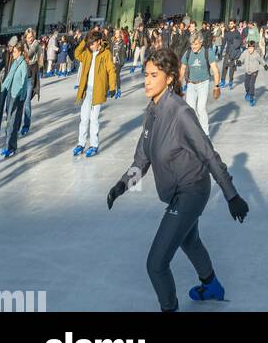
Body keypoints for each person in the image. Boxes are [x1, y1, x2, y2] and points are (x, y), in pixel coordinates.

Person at [106, 48, 248, 310]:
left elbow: (208, 154)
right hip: (175, 192)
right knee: (190, 240)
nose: (146, 81)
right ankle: (212, 285)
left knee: (156, 263)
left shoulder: (181, 113)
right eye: (145, 75)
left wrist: (232, 195)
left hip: (192, 190)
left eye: (153, 75)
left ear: (169, 78)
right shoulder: (152, 111)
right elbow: (142, 160)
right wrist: (121, 185)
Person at [73, 28, 117, 158]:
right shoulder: (86, 52)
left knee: (94, 119)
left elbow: (111, 70)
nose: (91, 46)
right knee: (84, 119)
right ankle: (81, 143)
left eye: (93, 44)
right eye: (89, 44)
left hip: (98, 90)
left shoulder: (106, 53)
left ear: (99, 42)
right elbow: (76, 53)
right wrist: (84, 40)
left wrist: (113, 87)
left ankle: (94, 145)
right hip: (86, 90)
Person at [181, 31, 221, 137]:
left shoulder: (208, 52)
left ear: (201, 43)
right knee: (190, 109)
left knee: (201, 108)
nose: (193, 46)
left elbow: (215, 70)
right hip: (190, 84)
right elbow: (182, 69)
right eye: (192, 44)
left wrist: (216, 86)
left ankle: (205, 133)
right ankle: (195, 131)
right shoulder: (188, 53)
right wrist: (178, 85)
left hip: (203, 83)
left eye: (196, 44)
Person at [0, 41, 28, 159]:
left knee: (12, 122)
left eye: (15, 52)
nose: (12, 54)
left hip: (17, 97)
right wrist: (3, 88)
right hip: (11, 94)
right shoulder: (16, 63)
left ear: (20, 52)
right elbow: (9, 77)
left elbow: (24, 84)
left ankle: (10, 148)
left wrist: (20, 98)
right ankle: (9, 146)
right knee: (9, 120)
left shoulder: (23, 65)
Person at [238, 39, 265, 105]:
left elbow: (261, 60)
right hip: (247, 71)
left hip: (254, 71)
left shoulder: (256, 54)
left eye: (252, 48)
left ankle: (252, 97)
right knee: (246, 84)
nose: (250, 49)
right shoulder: (245, 52)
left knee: (251, 84)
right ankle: (248, 92)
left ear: (254, 48)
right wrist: (239, 61)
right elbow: (241, 58)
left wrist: (265, 65)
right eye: (249, 48)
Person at [220, 19, 242, 89]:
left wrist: (237, 55)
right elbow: (223, 43)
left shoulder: (237, 33)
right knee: (224, 67)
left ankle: (230, 82)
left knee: (231, 68)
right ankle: (223, 81)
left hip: (234, 53)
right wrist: (221, 52)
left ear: (234, 24)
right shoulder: (227, 33)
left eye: (231, 24)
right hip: (227, 52)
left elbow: (240, 43)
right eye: (229, 24)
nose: (230, 25)